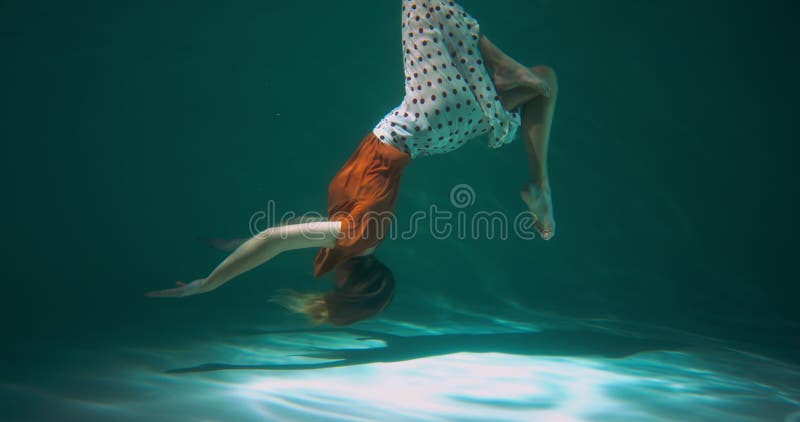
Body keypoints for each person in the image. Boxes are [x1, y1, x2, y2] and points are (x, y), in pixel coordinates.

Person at [147, 0, 558, 326]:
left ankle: (539, 182)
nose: (331, 283)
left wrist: (237, 246)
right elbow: (274, 239)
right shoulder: (357, 234)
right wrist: (210, 283)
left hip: (442, 130)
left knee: (542, 81)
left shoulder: (359, 235)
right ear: (349, 280)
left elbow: (280, 239)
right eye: (338, 290)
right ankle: (530, 151)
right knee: (421, 3)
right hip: (427, 119)